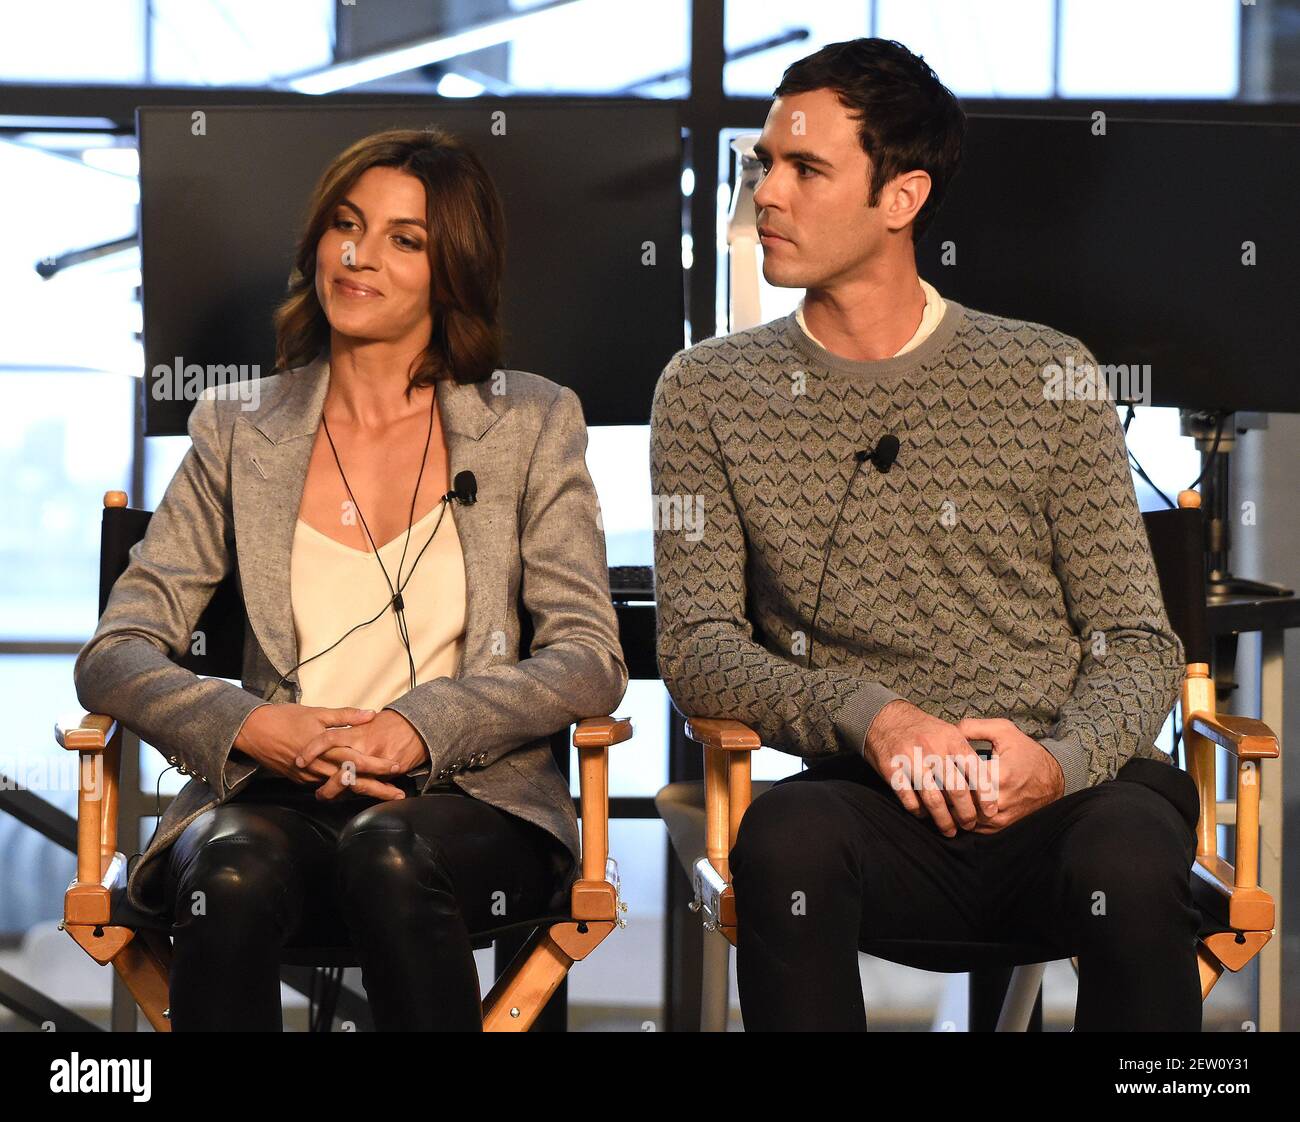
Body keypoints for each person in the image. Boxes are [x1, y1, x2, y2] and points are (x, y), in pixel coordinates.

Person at [650, 39, 1201, 1031]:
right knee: (785, 843)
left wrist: (1063, 763)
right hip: (865, 803)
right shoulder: (706, 392)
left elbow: (1136, 639)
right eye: (760, 164)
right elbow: (697, 648)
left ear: (900, 198)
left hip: (1065, 800)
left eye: (803, 168)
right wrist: (880, 720)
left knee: (1130, 854)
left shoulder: (1047, 374)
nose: (764, 195)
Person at [73, 126, 627, 1031]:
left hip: (466, 801)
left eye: (404, 239)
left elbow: (588, 658)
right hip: (270, 798)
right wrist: (253, 724)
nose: (358, 255)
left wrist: (421, 727)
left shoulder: (530, 419)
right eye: (345, 225)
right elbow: (115, 653)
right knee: (232, 872)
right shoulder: (240, 426)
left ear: (453, 267)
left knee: (390, 850)